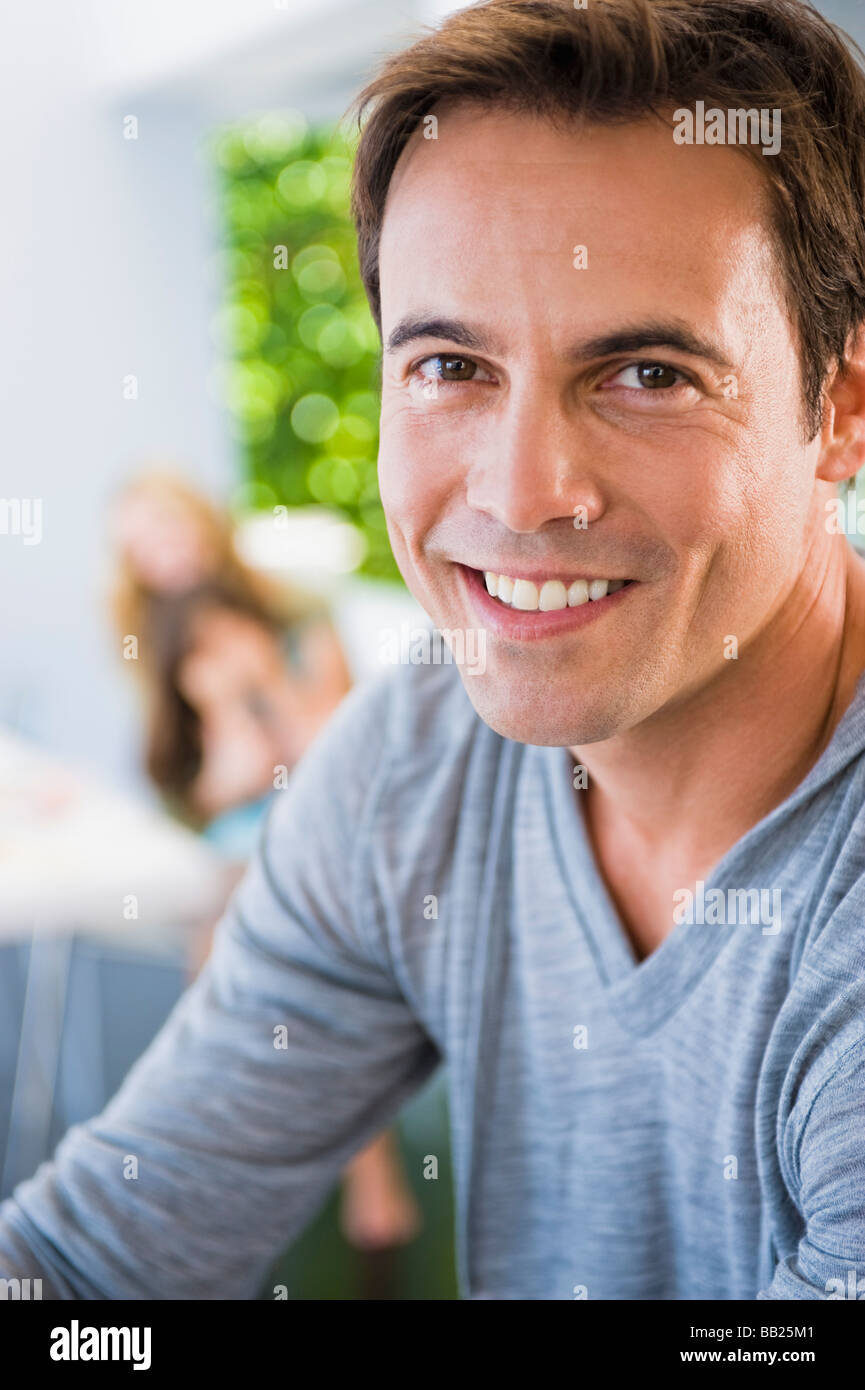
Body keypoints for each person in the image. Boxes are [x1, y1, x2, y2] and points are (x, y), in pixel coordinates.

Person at [2, 0, 865, 1300]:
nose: (522, 494)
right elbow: (88, 1263)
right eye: (452, 364)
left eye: (646, 373)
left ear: (841, 407)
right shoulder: (410, 762)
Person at [108, 473, 422, 1260]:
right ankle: (253, 1178)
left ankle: (368, 1185)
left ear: (202, 519)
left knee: (302, 963)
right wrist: (226, 729)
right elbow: (194, 793)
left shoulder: (296, 612)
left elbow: (341, 747)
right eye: (138, 544)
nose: (160, 551)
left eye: (164, 526)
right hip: (237, 845)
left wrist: (262, 688)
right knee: (226, 977)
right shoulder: (155, 645)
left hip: (319, 825)